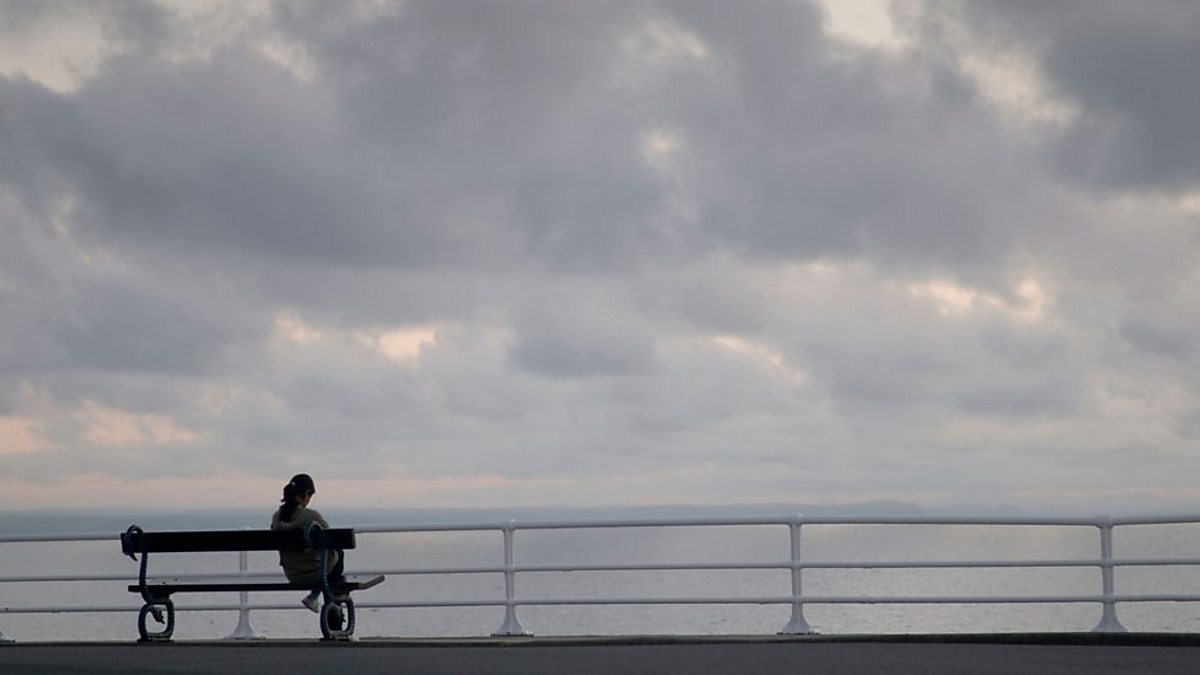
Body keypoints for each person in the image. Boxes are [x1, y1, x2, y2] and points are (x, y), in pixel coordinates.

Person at [270, 473, 345, 620]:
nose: (309, 500)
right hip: (315, 573)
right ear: (303, 495)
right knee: (338, 556)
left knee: (332, 573)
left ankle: (316, 597)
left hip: (292, 574)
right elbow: (332, 539)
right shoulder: (311, 516)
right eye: (309, 495)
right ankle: (332, 613)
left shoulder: (276, 517)